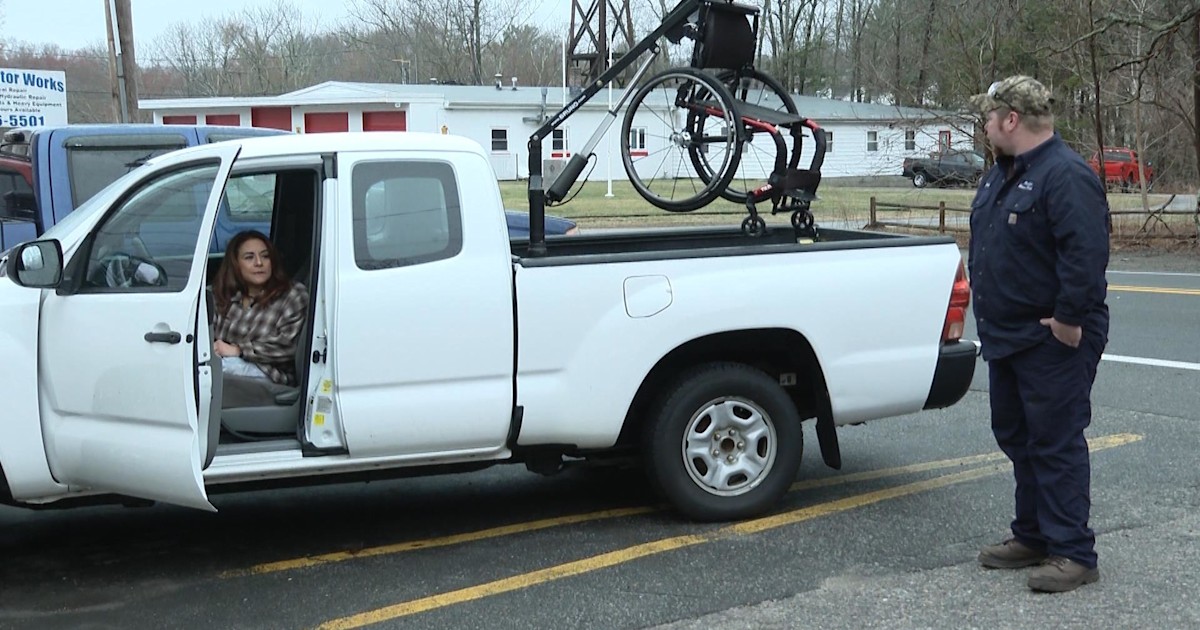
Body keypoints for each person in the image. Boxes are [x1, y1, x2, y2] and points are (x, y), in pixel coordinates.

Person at [968, 76, 1110, 593]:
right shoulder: (1001, 174)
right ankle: (1031, 535)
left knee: (1053, 442)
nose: (984, 125)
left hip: (1052, 337)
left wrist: (1070, 320)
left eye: (988, 116)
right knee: (1018, 437)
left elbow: (1085, 255)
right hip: (1008, 336)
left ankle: (1073, 552)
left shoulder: (1064, 176)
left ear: (1010, 119)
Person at [211, 230, 309, 387]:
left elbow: (288, 346)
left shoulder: (293, 295)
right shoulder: (225, 296)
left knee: (216, 373)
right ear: (235, 264)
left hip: (271, 374)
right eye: (249, 257)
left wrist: (238, 349)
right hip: (226, 363)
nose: (259, 263)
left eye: (265, 256)